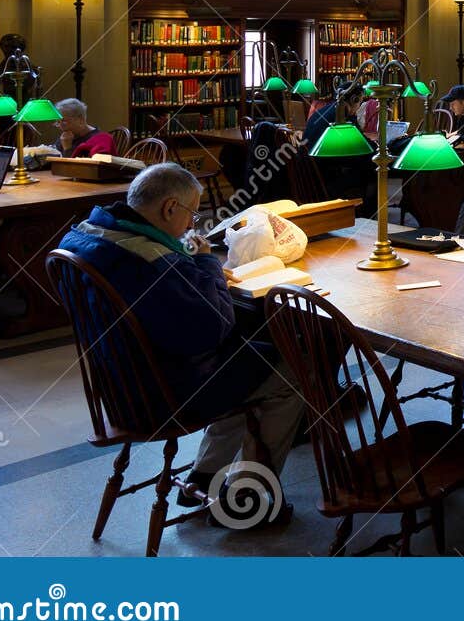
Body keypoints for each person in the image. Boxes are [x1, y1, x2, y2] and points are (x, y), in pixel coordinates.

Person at [58, 164, 304, 526]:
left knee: (250, 358)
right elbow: (215, 328)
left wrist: (184, 263)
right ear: (170, 208)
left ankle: (204, 475)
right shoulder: (150, 261)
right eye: (191, 213)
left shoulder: (85, 234)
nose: (191, 225)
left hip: (118, 383)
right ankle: (248, 498)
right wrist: (205, 262)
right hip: (162, 394)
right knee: (292, 367)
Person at [47, 98, 115, 157]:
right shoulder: (67, 137)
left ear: (80, 119)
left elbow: (78, 168)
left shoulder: (101, 139)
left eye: (64, 121)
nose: (60, 126)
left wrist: (67, 148)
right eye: (58, 122)